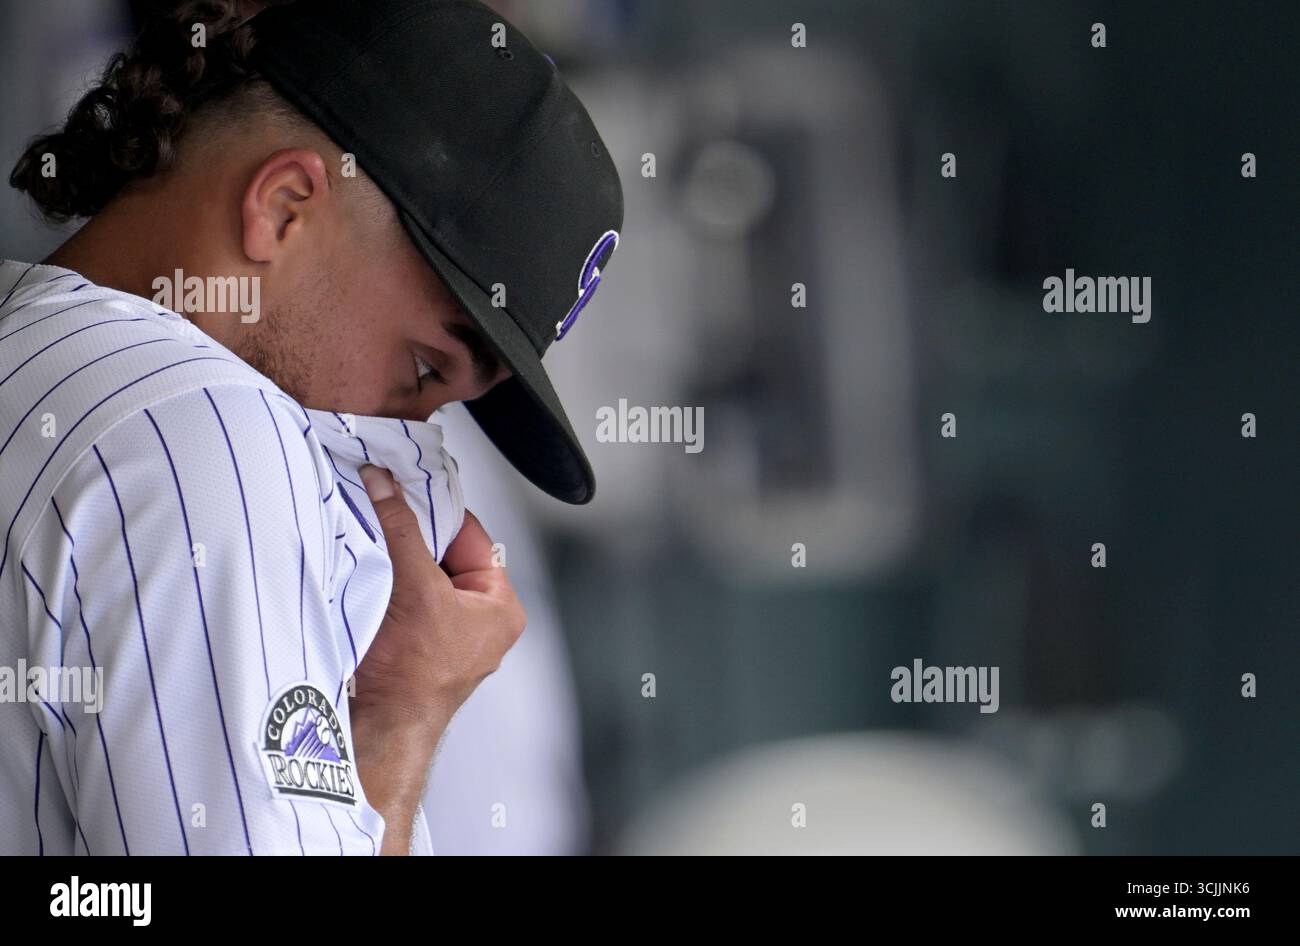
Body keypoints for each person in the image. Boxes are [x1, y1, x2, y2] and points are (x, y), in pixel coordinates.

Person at [0, 0, 622, 855]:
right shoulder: (207, 434)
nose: (413, 433)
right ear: (284, 207)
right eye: (422, 370)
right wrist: (398, 722)